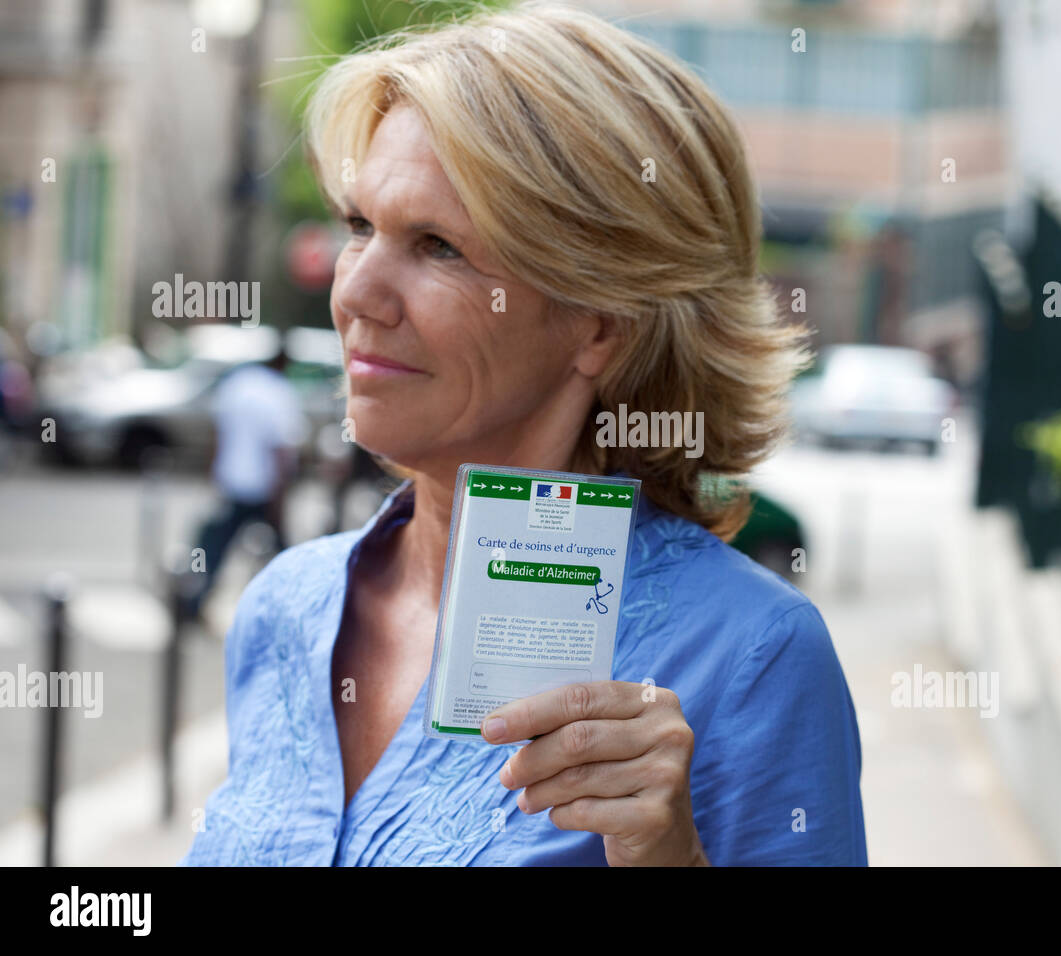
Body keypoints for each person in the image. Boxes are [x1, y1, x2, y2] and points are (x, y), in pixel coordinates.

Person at [181, 2, 867, 866]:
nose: (356, 294)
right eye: (361, 225)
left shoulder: (752, 657)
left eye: (438, 246)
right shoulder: (285, 605)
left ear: (602, 324)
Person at [185, 345, 306, 619]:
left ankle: (193, 600)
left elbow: (217, 433)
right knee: (281, 553)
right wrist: (280, 500)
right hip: (263, 488)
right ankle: (295, 608)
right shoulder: (279, 392)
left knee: (210, 549)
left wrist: (213, 471)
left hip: (231, 482)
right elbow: (281, 450)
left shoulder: (237, 384)